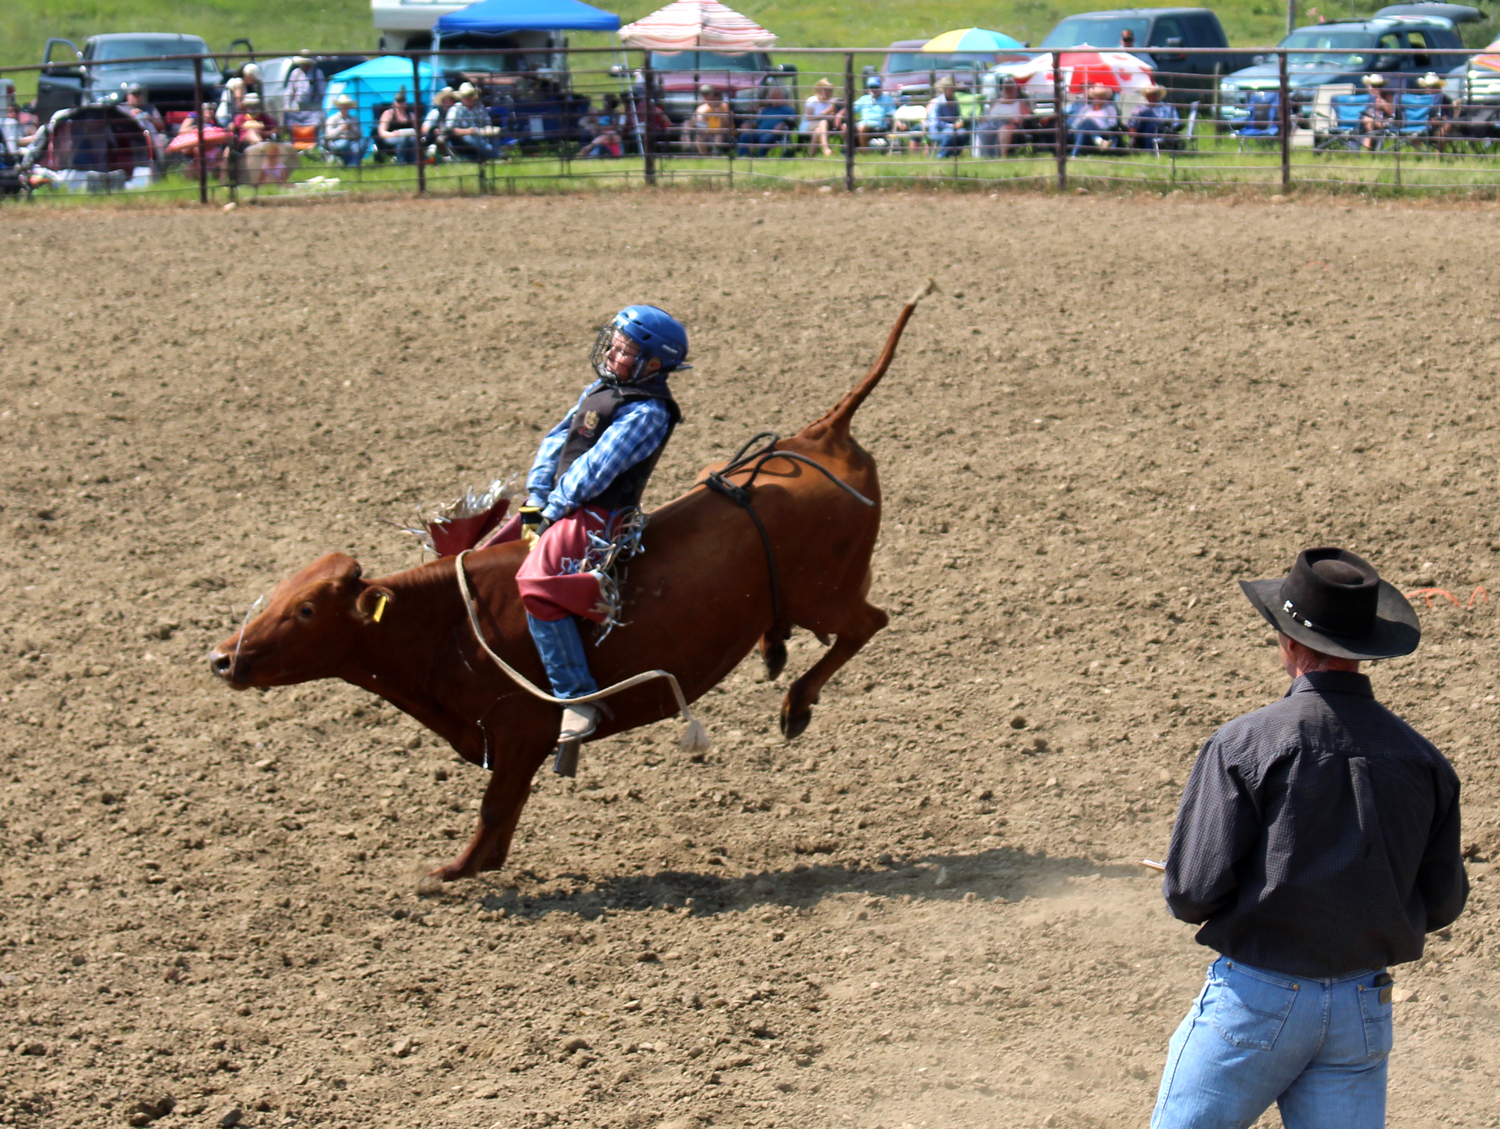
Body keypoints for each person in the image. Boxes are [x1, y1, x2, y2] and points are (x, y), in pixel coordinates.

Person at [1151, 547, 1468, 1129]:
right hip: (1361, 1007)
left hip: (1256, 1002)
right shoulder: (1425, 762)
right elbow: (1443, 901)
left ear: (1291, 643)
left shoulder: (1244, 744)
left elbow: (1190, 892)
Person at [490, 306, 689, 751]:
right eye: (614, 343)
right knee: (486, 551)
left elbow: (597, 470)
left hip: (595, 516)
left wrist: (553, 510)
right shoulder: (602, 388)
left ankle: (577, 696)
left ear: (654, 365)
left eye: (626, 350)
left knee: (538, 583)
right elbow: (557, 441)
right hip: (556, 503)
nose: (613, 352)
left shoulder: (648, 412)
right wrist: (535, 498)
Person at [737, 86, 798, 156]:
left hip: (775, 134)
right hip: (760, 133)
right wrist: (748, 125)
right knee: (744, 136)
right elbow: (756, 122)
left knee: (765, 138)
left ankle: (760, 157)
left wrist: (782, 125)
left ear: (782, 97)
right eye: (772, 97)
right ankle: (744, 156)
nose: (774, 98)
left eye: (777, 96)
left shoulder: (789, 110)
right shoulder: (766, 110)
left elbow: (792, 121)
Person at [978, 77, 1028, 158]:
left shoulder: (1020, 103)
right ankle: (986, 155)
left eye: (1011, 88)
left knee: (1005, 129)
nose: (1009, 90)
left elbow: (1027, 118)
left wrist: (1018, 120)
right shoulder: (995, 102)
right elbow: (987, 116)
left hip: (1011, 125)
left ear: (1016, 89)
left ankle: (1002, 156)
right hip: (993, 123)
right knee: (983, 128)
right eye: (1006, 88)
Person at [842, 75, 895, 150]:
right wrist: (840, 114)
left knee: (862, 127)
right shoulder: (864, 99)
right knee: (845, 126)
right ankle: (850, 151)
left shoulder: (888, 100)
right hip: (863, 124)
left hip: (879, 126)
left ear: (881, 87)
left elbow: (893, 114)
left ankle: (864, 152)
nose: (873, 89)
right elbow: (852, 109)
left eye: (876, 87)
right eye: (871, 87)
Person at [446, 83, 496, 162]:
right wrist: (469, 131)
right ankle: (492, 155)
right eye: (465, 96)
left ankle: (493, 154)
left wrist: (486, 130)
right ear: (461, 97)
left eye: (470, 95)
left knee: (495, 135)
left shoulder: (480, 107)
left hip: (482, 136)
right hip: (464, 140)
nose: (468, 98)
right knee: (471, 139)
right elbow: (450, 130)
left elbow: (487, 123)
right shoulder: (455, 110)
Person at [119, 83, 167, 161]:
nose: (138, 97)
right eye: (134, 94)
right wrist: (130, 115)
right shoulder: (122, 108)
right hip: (130, 137)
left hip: (149, 135)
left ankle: (161, 165)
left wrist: (150, 118)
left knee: (162, 137)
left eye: (139, 94)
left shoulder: (149, 107)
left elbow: (161, 126)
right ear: (128, 96)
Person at [1069, 84, 1118, 155]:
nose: (1099, 98)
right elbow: (1076, 123)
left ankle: (1075, 154)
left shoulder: (1110, 108)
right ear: (1094, 97)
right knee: (1085, 125)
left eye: (1102, 96)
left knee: (1086, 124)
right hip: (1080, 130)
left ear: (1106, 97)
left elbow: (1113, 123)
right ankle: (1098, 141)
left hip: (1102, 132)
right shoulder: (1086, 108)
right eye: (1097, 96)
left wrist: (1099, 128)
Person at [1127, 84, 1179, 150]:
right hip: (1146, 131)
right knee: (1148, 120)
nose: (1152, 96)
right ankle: (1147, 148)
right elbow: (1132, 124)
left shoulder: (1168, 107)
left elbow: (1176, 122)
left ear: (1159, 95)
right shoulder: (1140, 108)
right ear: (1146, 96)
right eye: (1150, 94)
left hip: (1166, 130)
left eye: (1155, 94)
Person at [283, 54, 324, 133]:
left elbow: (322, 91)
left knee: (315, 125)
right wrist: (287, 105)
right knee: (291, 121)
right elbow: (290, 90)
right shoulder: (295, 73)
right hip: (298, 107)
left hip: (313, 108)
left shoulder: (317, 73)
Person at [376, 86, 418, 164]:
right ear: (394, 103)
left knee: (413, 139)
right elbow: (381, 132)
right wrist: (392, 134)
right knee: (402, 139)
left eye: (403, 101)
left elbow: (418, 131)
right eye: (399, 101)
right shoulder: (388, 114)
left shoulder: (411, 115)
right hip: (391, 137)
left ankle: (413, 162)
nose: (401, 104)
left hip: (408, 138)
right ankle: (400, 162)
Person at [926, 76, 964, 157]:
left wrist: (960, 122)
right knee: (950, 133)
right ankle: (941, 156)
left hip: (950, 129)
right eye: (951, 88)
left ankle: (953, 155)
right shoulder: (938, 102)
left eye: (954, 89)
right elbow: (936, 122)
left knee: (963, 133)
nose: (953, 91)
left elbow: (958, 116)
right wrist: (953, 126)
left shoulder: (955, 102)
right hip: (937, 131)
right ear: (945, 89)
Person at [688, 85, 732, 155]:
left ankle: (716, 154)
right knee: (700, 136)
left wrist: (720, 114)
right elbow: (701, 126)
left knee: (719, 135)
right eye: (712, 100)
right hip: (709, 133)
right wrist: (703, 119)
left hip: (724, 134)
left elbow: (725, 126)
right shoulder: (705, 109)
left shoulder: (725, 107)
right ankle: (704, 157)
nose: (714, 102)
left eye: (717, 100)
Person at [323, 93, 365, 166]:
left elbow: (360, 134)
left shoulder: (354, 119)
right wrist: (341, 128)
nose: (345, 107)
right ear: (339, 106)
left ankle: (353, 164)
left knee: (360, 144)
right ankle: (348, 163)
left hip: (352, 141)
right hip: (336, 141)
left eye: (347, 105)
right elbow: (328, 135)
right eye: (343, 105)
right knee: (344, 144)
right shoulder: (333, 119)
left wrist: (352, 128)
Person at [801, 77, 838, 156]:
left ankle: (810, 156)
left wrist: (832, 115)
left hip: (822, 128)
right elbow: (809, 118)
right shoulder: (812, 100)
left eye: (829, 90)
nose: (827, 92)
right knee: (823, 122)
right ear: (819, 91)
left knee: (818, 131)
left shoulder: (831, 102)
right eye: (825, 90)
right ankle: (826, 149)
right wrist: (824, 113)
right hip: (807, 125)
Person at [1361, 73, 1394, 150]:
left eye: (1379, 86)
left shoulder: (1387, 96)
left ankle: (1366, 149)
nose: (1376, 88)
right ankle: (1368, 148)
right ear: (1369, 87)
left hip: (1384, 121)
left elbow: (1391, 112)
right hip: (1368, 121)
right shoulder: (1365, 98)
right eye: (1374, 86)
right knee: (1369, 122)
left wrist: (1382, 102)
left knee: (1369, 121)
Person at [424, 87, 457, 155]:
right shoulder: (435, 113)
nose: (449, 101)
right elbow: (425, 129)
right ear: (443, 101)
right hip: (437, 138)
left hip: (455, 137)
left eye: (451, 99)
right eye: (447, 99)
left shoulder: (458, 111)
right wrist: (434, 131)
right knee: (440, 140)